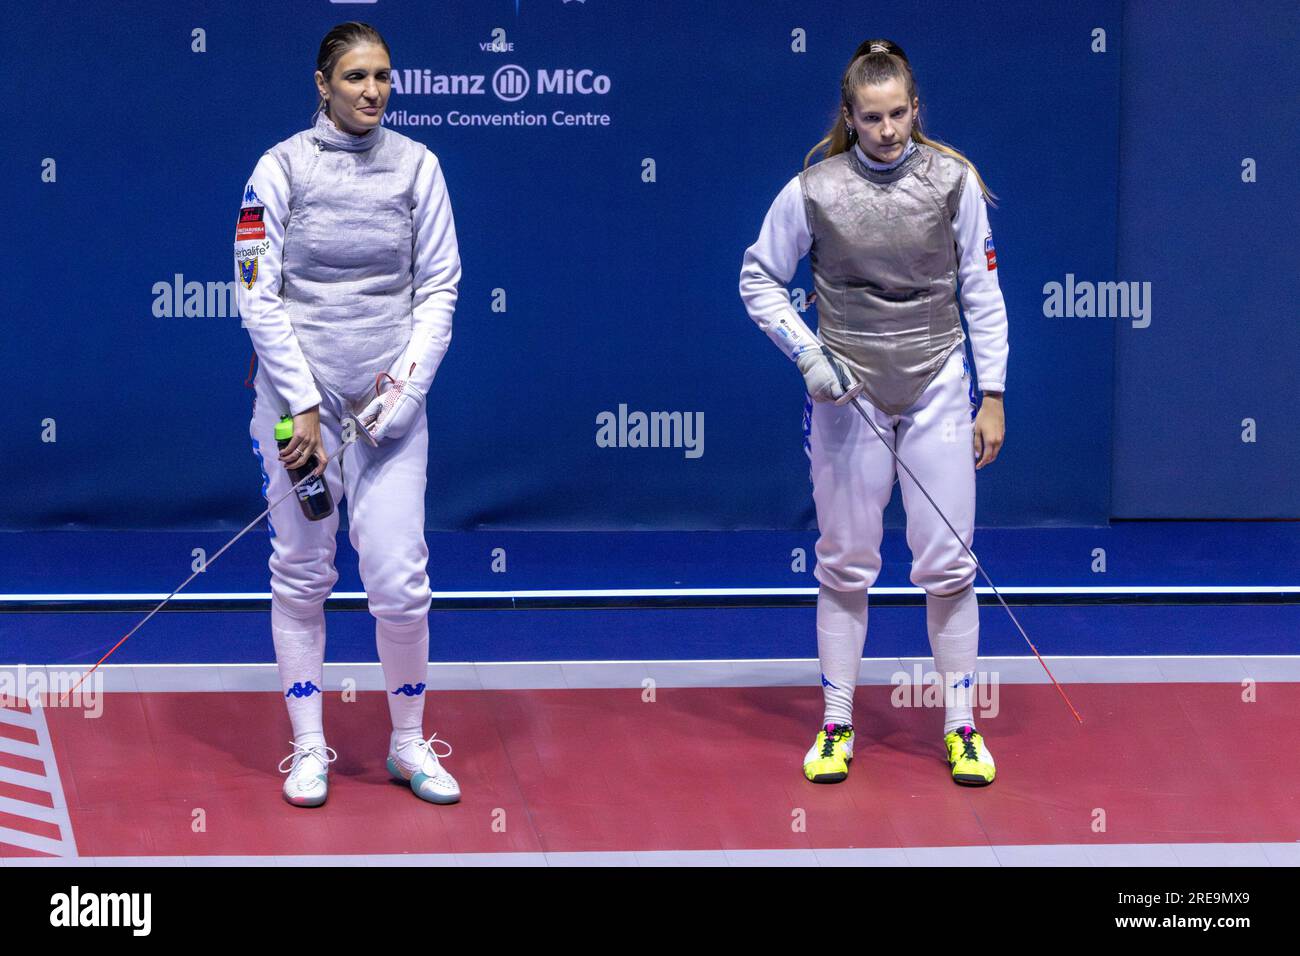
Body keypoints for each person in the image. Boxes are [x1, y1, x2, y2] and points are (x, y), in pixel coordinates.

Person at [738, 39, 1009, 787]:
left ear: (916, 110)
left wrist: (993, 396)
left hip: (935, 386)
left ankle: (960, 727)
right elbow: (758, 277)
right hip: (847, 393)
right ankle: (835, 726)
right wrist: (808, 354)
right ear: (849, 119)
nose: (887, 131)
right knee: (846, 563)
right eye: (871, 118)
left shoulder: (953, 182)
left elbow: (982, 296)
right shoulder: (814, 189)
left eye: (898, 115)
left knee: (949, 565)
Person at [235, 22, 462, 807]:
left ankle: (407, 744)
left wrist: (401, 392)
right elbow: (258, 296)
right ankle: (307, 748)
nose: (373, 90)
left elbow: (439, 289)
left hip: (389, 411)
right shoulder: (278, 169)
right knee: (302, 573)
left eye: (384, 77)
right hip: (298, 412)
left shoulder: (418, 167)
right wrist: (301, 407)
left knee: (400, 584)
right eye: (357, 76)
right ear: (323, 83)